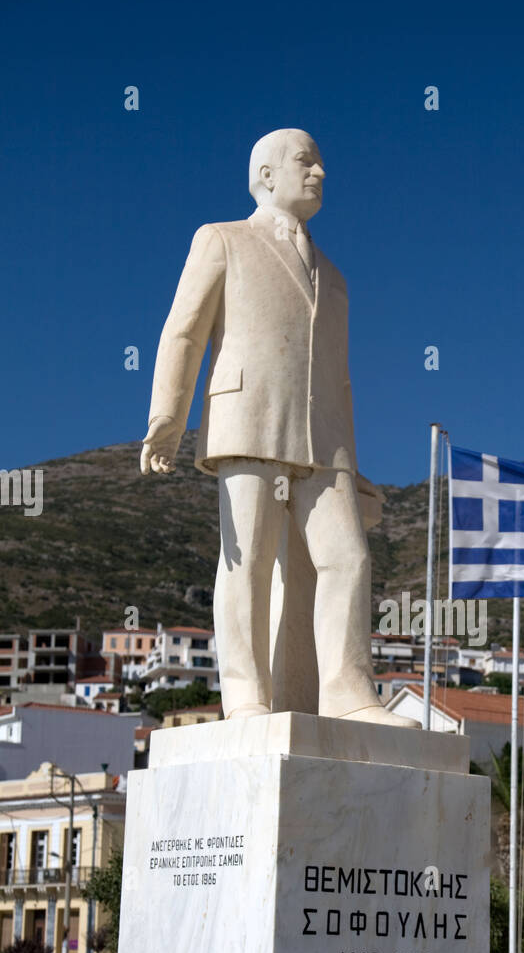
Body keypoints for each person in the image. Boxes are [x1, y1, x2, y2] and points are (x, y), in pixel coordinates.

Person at [140, 128, 417, 727]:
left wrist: (352, 461)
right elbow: (184, 330)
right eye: (305, 161)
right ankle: (245, 697)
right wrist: (168, 415)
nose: (319, 173)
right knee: (248, 560)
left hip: (324, 440)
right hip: (248, 419)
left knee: (348, 559)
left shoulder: (335, 278)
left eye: (320, 164)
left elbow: (340, 378)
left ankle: (347, 693)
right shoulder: (222, 239)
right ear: (266, 175)